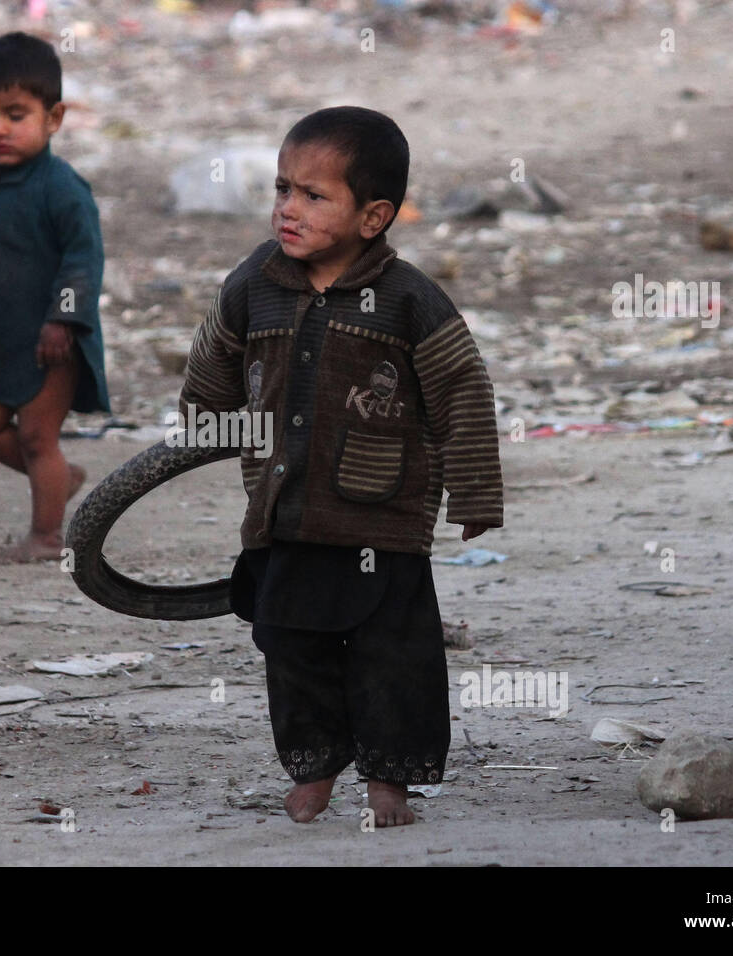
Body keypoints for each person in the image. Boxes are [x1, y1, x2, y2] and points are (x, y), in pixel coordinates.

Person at [178, 107, 504, 827]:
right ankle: (316, 765)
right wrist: (203, 424)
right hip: (285, 512)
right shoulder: (253, 285)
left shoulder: (409, 300)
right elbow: (213, 362)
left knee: (395, 656)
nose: (287, 208)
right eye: (282, 188)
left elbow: (462, 390)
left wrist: (476, 490)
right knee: (291, 648)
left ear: (373, 215)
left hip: (382, 515)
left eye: (313, 195)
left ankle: (390, 781)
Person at [0, 32, 110, 564]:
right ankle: (61, 480)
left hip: (49, 343)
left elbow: (84, 260)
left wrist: (64, 320)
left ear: (53, 118)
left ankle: (47, 536)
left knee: (36, 436)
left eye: (15, 114)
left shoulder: (62, 188)